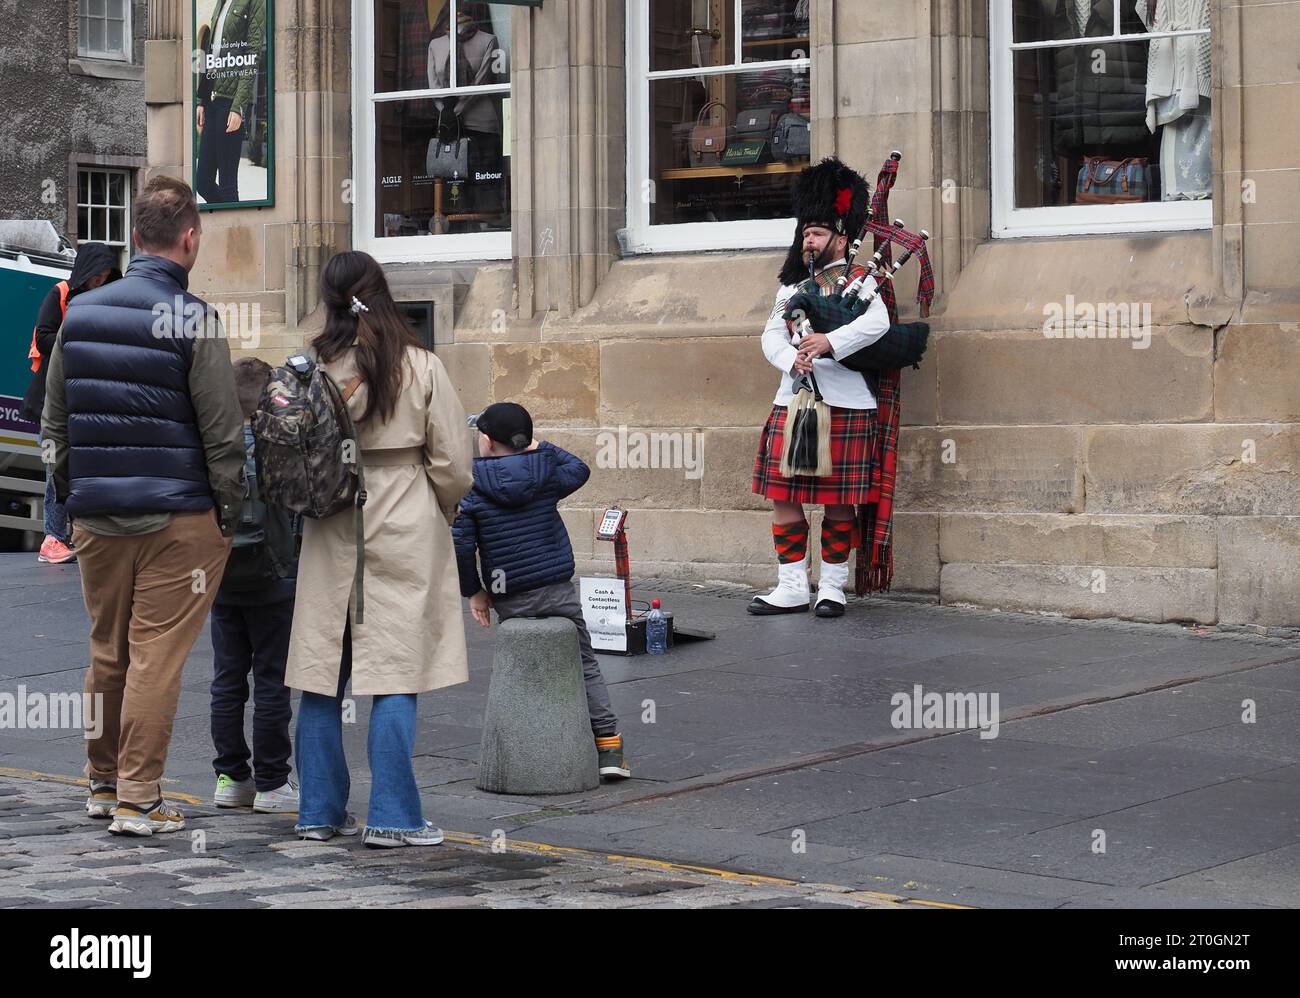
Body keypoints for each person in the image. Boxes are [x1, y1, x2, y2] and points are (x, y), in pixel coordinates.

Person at [42, 175, 244, 835]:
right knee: (156, 653)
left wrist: (74, 496)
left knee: (108, 652)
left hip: (98, 515)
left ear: (135, 238)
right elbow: (222, 436)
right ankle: (139, 798)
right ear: (189, 238)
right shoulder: (195, 319)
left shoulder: (81, 314)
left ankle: (103, 784)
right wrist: (227, 516)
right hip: (178, 517)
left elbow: (57, 428)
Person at [285, 250, 473, 847]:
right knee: (398, 671)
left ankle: (318, 811)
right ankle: (393, 815)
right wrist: (440, 508)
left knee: (320, 674)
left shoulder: (311, 365)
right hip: (404, 512)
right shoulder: (419, 365)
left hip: (330, 515)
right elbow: (454, 463)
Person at [453, 403, 630, 779]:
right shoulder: (545, 473)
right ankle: (610, 750)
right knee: (586, 665)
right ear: (524, 440)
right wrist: (538, 446)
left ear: (485, 440)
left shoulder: (470, 484)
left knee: (521, 660)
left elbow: (462, 547)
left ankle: (528, 746)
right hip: (557, 589)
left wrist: (475, 592)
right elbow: (580, 469)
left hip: (510, 594)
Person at [749, 158, 891, 618]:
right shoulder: (790, 287)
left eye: (816, 232)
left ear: (841, 238)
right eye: (805, 232)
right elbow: (770, 335)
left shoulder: (862, 283)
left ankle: (832, 587)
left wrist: (829, 341)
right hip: (792, 399)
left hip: (847, 401)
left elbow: (880, 324)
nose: (807, 240)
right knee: (783, 496)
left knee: (837, 501)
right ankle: (791, 587)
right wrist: (793, 357)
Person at [209, 357, 300, 814]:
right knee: (272, 682)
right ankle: (272, 783)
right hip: (275, 579)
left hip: (220, 580)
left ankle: (230, 778)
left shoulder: (212, 447)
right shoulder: (278, 447)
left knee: (227, 680)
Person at [20, 242, 121, 565]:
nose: (100, 280)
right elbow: (43, 336)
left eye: (106, 275)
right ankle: (53, 538)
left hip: (87, 397)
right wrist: (79, 336)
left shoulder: (109, 296)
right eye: (97, 274)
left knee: (85, 469)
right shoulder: (60, 293)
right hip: (55, 398)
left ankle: (76, 535)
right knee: (55, 469)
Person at [427, 1, 505, 217]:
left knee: (485, 178)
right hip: (450, 124)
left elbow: (482, 82)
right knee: (454, 181)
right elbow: (433, 85)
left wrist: (455, 110)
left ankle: (488, 221)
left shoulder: (488, 40)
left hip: (481, 121)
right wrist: (446, 110)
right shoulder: (436, 44)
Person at [195, 0, 268, 204]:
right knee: (202, 182)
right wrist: (201, 100)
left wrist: (239, 107)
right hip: (212, 99)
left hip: (231, 102)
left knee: (227, 183)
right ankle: (229, 221)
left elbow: (252, 55)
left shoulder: (253, 2)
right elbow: (212, 54)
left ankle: (234, 233)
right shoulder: (221, 3)